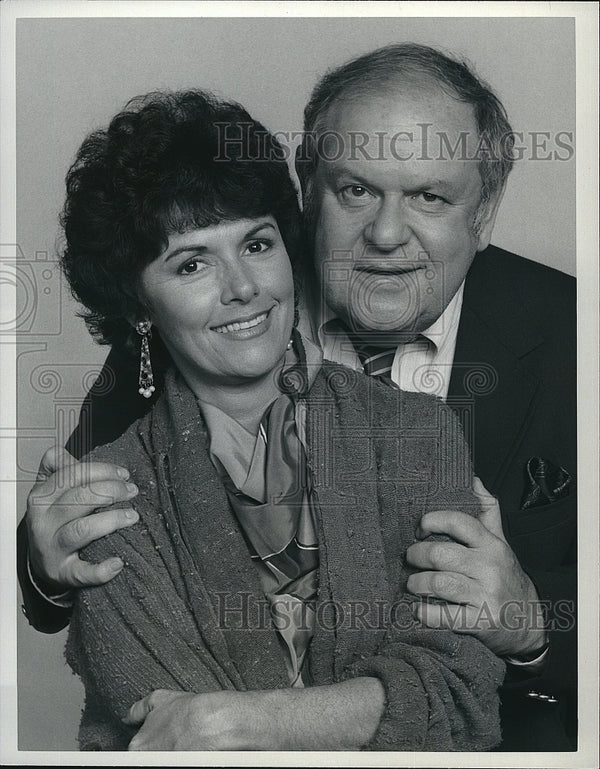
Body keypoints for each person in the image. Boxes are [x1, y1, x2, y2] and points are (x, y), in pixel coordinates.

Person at [18, 44, 576, 750]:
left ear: (486, 209)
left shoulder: (571, 336)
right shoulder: (194, 329)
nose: (385, 234)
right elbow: (82, 518)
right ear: (309, 189)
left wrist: (533, 624)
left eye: (430, 195)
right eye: (356, 189)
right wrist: (42, 566)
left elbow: (455, 679)